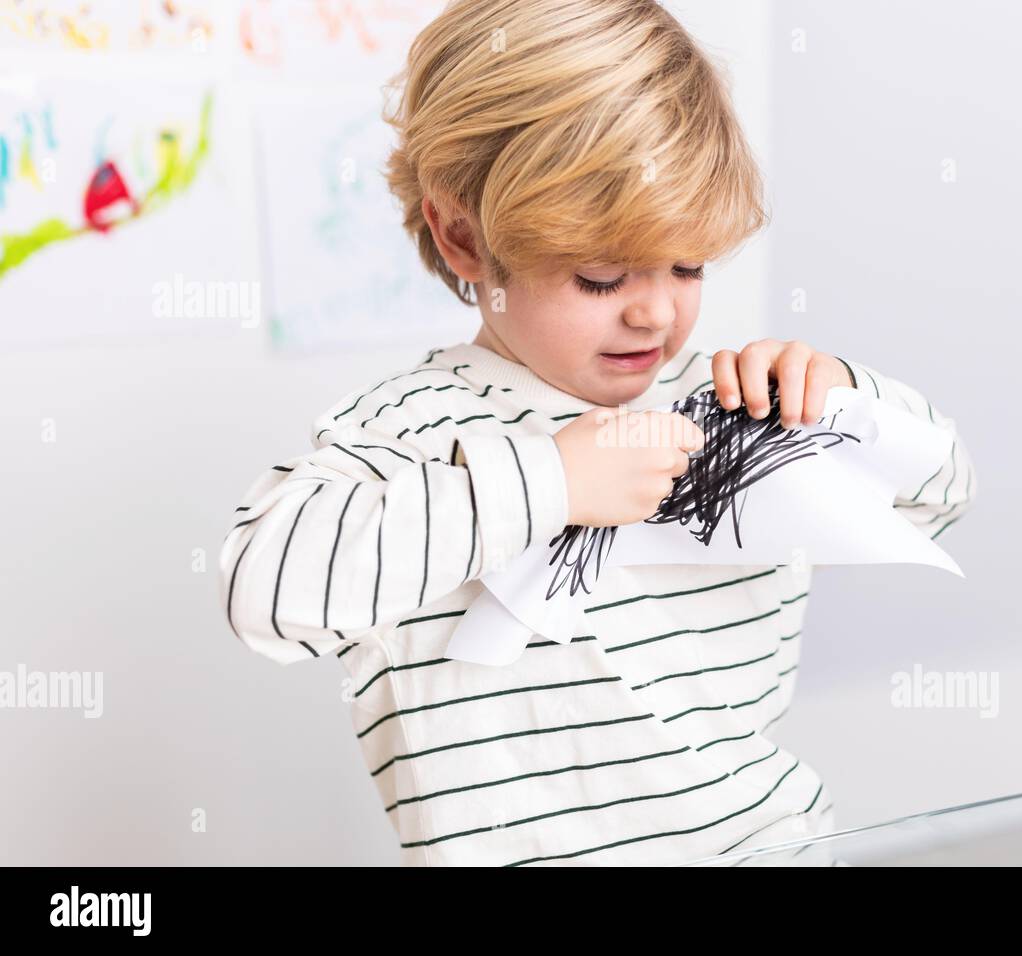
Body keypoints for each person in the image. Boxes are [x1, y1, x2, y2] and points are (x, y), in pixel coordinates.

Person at [217, 0, 977, 866]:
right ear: (464, 236)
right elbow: (262, 596)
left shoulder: (729, 408)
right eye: (602, 275)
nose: (657, 310)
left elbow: (938, 500)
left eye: (687, 266)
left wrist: (847, 402)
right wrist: (551, 482)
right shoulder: (410, 436)